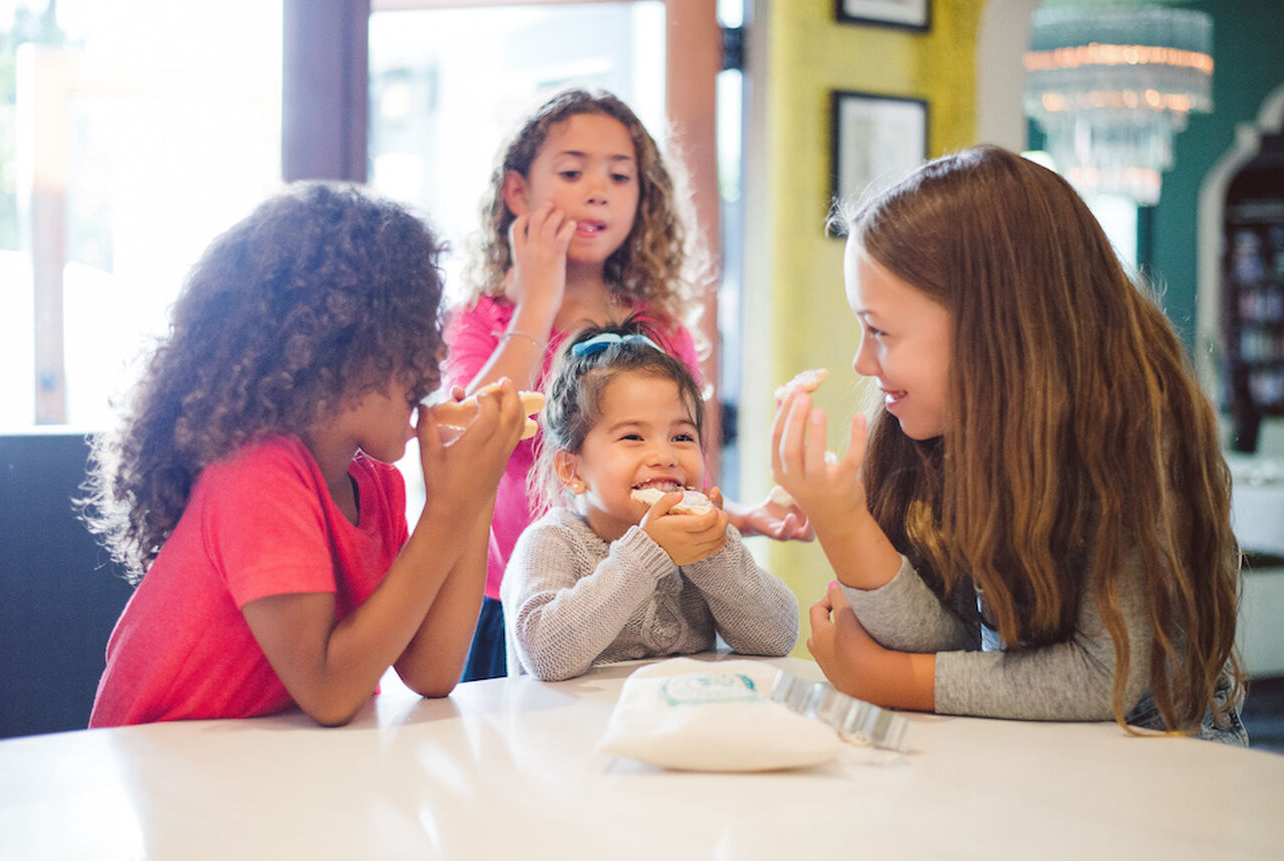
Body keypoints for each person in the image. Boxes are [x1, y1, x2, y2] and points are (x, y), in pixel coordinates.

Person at [773, 145, 1247, 744]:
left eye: (880, 331)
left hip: (1160, 764)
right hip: (1034, 754)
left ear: (990, 327)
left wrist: (884, 679)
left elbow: (1106, 677)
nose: (862, 362)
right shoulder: (944, 434)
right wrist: (842, 521)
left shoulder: (1133, 434)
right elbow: (952, 646)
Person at [84, 182, 528, 728]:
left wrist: (475, 491)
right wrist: (448, 512)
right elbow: (330, 689)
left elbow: (431, 671)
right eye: (416, 336)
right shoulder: (256, 474)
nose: (435, 360)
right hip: (162, 758)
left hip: (266, 761)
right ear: (345, 350)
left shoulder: (375, 484)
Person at [444, 86, 809, 681]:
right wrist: (537, 303)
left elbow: (667, 469)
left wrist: (741, 517)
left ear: (644, 196)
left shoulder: (661, 327)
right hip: (507, 605)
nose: (598, 191)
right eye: (572, 172)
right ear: (517, 192)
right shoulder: (482, 319)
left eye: (619, 176)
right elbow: (465, 442)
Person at [502, 320, 799, 681]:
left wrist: (714, 553)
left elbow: (777, 638)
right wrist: (647, 553)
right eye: (633, 437)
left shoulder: (702, 540)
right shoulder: (552, 543)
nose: (665, 456)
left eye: (682, 437)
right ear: (572, 470)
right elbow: (545, 656)